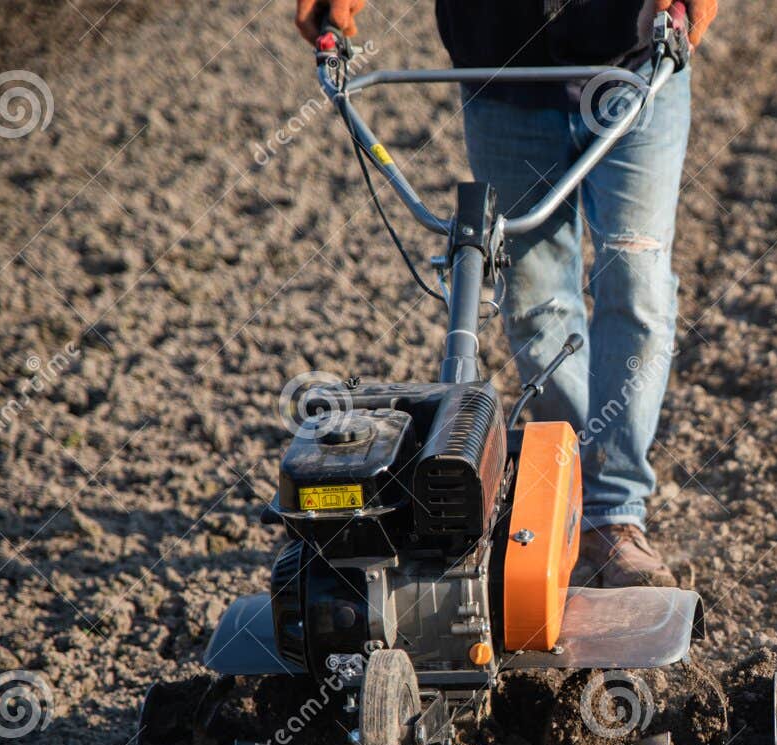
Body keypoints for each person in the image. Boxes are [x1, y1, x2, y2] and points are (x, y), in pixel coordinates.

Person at [294, 0, 717, 587]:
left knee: (638, 282)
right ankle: (568, 503)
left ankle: (613, 515)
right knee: (534, 296)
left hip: (635, 64)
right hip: (500, 72)